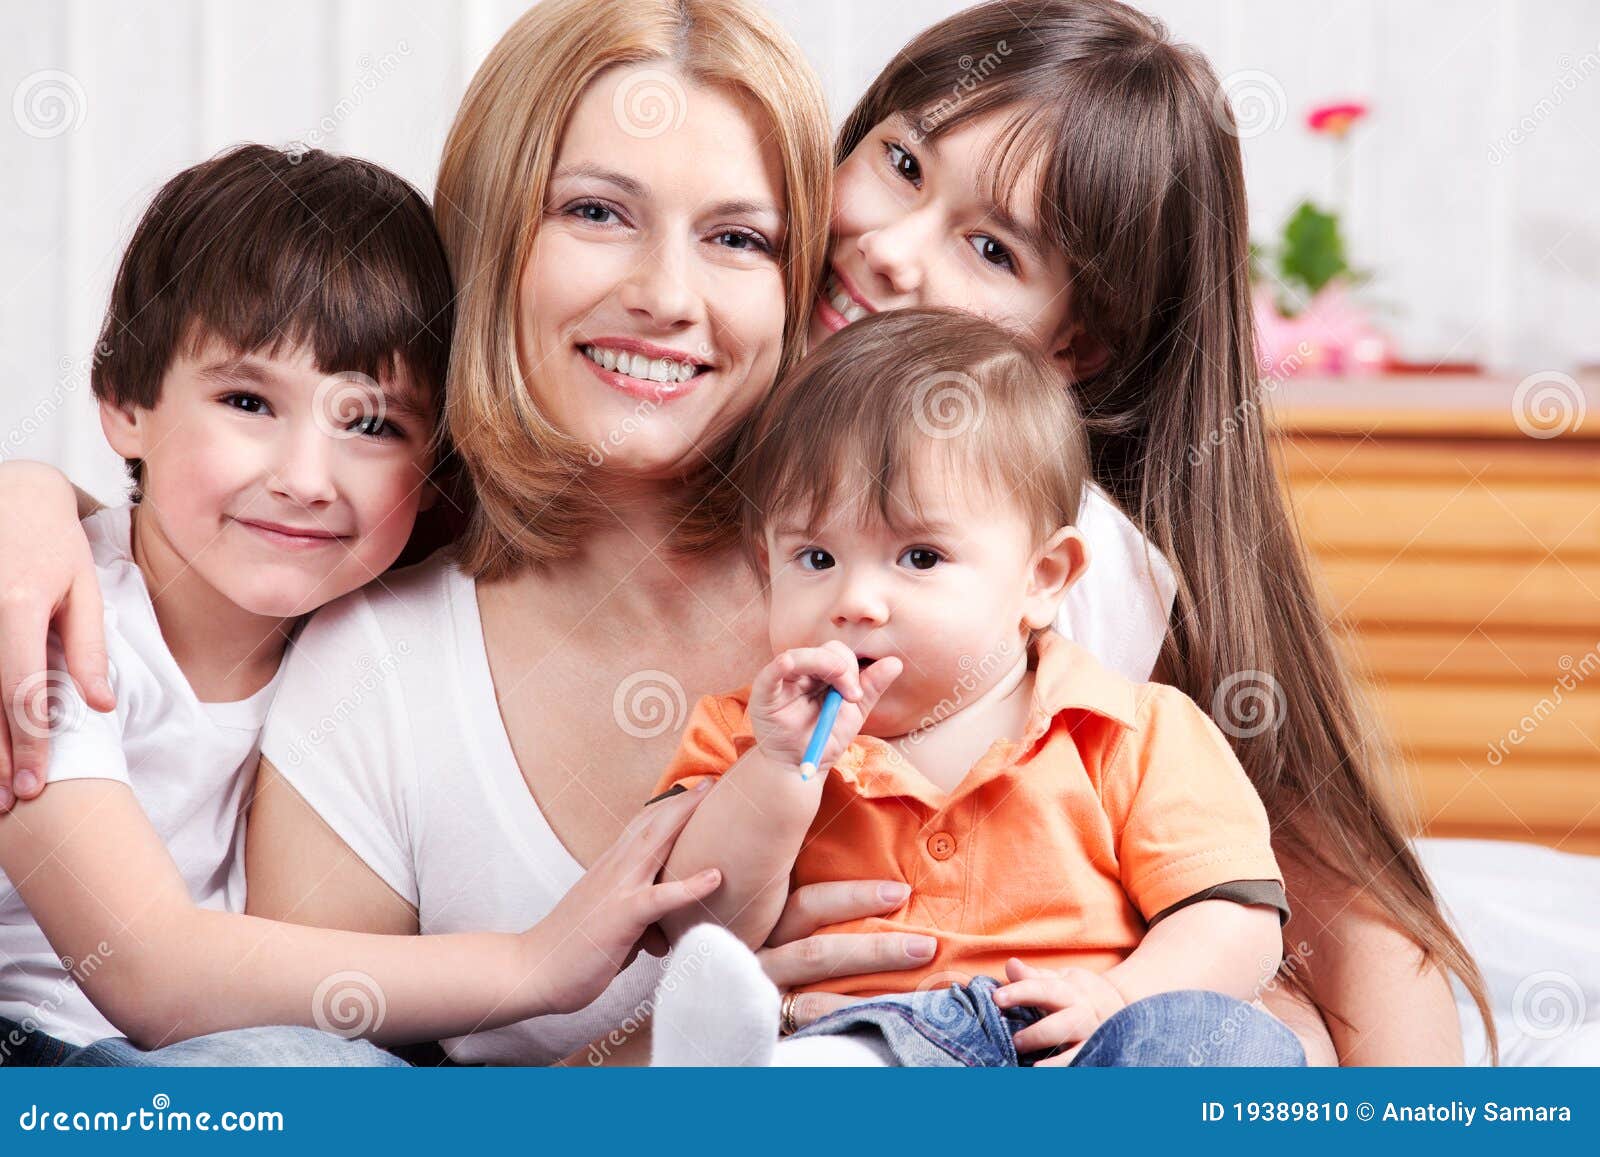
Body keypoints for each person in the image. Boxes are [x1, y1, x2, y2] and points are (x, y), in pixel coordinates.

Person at [0, 144, 721, 1067]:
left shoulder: (363, 618)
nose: (305, 480)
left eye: (373, 425)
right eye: (248, 400)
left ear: (435, 471)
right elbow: (154, 976)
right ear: (123, 401)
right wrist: (534, 966)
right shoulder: (55, 627)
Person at [645, 310, 1304, 1067]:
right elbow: (703, 921)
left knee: (1223, 1043)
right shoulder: (747, 734)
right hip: (873, 1036)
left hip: (1080, 1046)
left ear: (1041, 579)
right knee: (820, 1062)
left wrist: (1121, 998)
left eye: (920, 556)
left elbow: (1236, 919)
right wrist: (777, 768)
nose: (855, 599)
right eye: (816, 556)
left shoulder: (1134, 729)